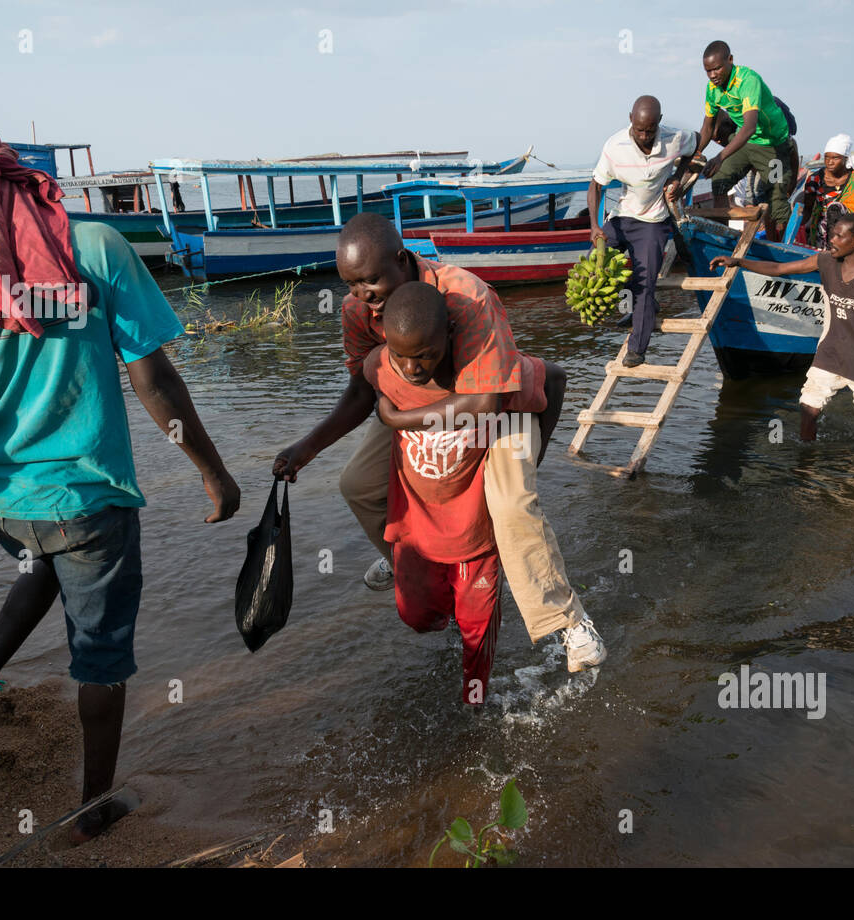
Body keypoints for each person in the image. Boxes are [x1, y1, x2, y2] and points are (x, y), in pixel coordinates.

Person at [0, 118, 241, 845]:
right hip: (88, 497)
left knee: (41, 563)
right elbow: (155, 379)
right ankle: (92, 808)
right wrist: (213, 471)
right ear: (3, 168)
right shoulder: (98, 248)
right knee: (100, 658)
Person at [271, 213, 606, 673]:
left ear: (402, 259)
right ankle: (410, 562)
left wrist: (398, 417)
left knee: (509, 505)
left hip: (498, 409)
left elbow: (488, 400)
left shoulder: (465, 296)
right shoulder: (359, 312)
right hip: (420, 402)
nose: (363, 296)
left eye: (371, 280)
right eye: (351, 285)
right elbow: (361, 391)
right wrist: (306, 448)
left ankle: (568, 621)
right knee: (358, 485)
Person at [361, 283, 568, 704]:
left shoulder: (486, 380)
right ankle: (450, 614)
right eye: (403, 355)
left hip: (477, 536)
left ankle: (474, 710)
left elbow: (556, 379)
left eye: (426, 355)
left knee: (477, 640)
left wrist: (532, 461)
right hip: (418, 532)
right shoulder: (381, 370)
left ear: (451, 337)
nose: (413, 368)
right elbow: (361, 383)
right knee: (415, 616)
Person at [711, 211, 854, 441]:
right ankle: (806, 464)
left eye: (839, 236)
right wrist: (740, 262)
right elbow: (781, 269)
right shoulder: (825, 261)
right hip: (829, 353)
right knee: (809, 409)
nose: (832, 240)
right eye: (832, 234)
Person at [587, 95, 697, 367]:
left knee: (645, 284)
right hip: (622, 218)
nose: (645, 136)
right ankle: (634, 302)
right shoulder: (615, 146)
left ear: (659, 122)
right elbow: (595, 186)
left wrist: (678, 175)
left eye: (650, 130)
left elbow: (697, 143)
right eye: (639, 130)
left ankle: (637, 348)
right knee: (594, 268)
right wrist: (594, 226)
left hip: (654, 223)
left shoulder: (673, 138)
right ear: (630, 120)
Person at [688, 40, 795, 242]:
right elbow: (708, 127)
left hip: (773, 146)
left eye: (717, 68)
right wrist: (693, 155)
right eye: (708, 71)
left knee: (776, 200)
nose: (713, 75)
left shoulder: (748, 80)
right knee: (718, 181)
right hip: (746, 144)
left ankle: (781, 248)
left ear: (730, 60)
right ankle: (723, 239)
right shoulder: (712, 89)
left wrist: (719, 156)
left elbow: (749, 127)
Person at [799, 134, 854, 258]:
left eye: (835, 158)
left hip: (850, 231)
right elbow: (808, 209)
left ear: (845, 159)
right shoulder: (814, 179)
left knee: (835, 208)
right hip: (821, 230)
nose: (830, 162)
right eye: (827, 157)